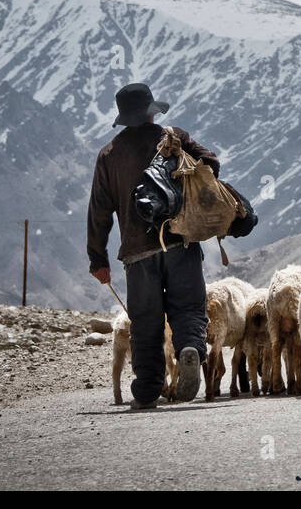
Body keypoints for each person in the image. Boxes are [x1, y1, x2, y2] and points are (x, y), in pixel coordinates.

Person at [87, 83, 220, 407]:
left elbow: (99, 211)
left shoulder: (109, 155)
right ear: (151, 111)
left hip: (138, 254)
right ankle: (189, 349)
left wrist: (98, 259)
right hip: (179, 241)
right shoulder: (174, 138)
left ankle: (147, 389)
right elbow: (212, 165)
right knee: (188, 309)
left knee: (145, 323)